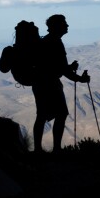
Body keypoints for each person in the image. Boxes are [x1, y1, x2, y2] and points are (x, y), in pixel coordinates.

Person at [33, 13, 89, 153]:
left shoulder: (47, 41)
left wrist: (69, 68)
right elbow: (62, 70)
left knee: (42, 115)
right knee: (60, 114)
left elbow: (56, 67)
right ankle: (56, 149)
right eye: (64, 23)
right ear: (57, 26)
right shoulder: (55, 42)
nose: (67, 26)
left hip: (40, 83)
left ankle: (38, 149)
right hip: (49, 84)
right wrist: (80, 79)